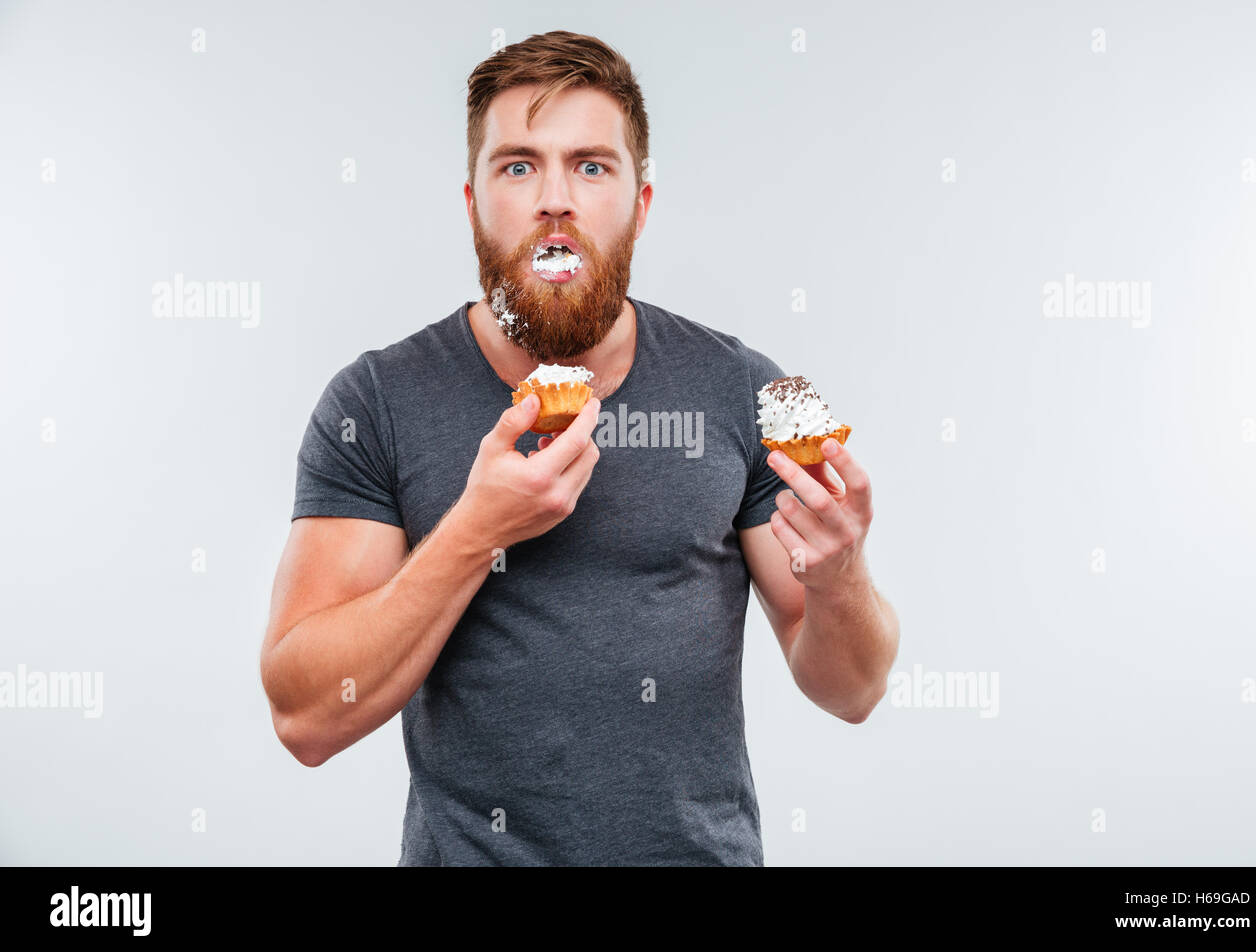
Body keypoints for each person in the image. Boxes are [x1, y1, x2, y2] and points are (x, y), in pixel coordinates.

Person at [259, 29, 900, 866]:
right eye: (519, 165)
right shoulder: (375, 403)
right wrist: (475, 530)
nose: (554, 198)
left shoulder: (741, 391)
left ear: (639, 204)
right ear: (472, 202)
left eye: (592, 166)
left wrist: (843, 573)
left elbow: (853, 691)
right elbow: (306, 717)